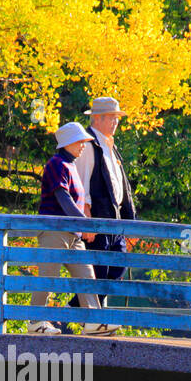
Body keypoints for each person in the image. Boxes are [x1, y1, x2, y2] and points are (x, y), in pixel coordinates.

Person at [30, 122, 117, 335]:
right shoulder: (56, 163)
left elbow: (72, 203)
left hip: (72, 233)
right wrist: (85, 222)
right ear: (68, 143)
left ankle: (93, 322)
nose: (83, 146)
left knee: (87, 276)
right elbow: (64, 199)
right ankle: (35, 323)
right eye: (80, 142)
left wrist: (81, 224)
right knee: (48, 278)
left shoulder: (70, 166)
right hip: (54, 230)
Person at [67, 96, 137, 326]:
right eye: (111, 118)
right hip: (97, 221)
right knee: (99, 271)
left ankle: (73, 313)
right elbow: (81, 184)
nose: (116, 122)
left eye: (117, 118)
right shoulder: (88, 145)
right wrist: (85, 221)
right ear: (97, 118)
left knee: (116, 269)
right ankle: (90, 321)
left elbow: (121, 187)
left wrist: (131, 222)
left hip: (114, 222)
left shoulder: (110, 146)